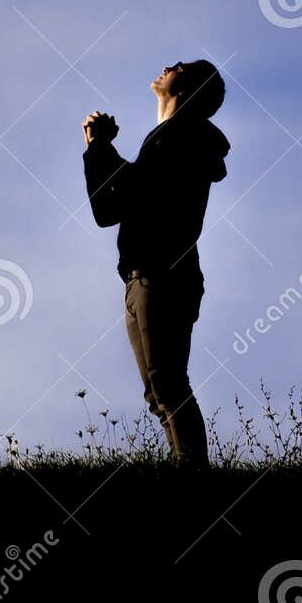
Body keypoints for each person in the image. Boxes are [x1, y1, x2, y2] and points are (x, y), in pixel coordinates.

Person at [82, 60, 229, 466]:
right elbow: (131, 191)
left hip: (160, 275)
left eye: (180, 67)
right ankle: (187, 469)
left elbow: (110, 206)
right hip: (147, 276)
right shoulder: (170, 141)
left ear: (190, 87)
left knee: (166, 384)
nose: (168, 67)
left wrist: (98, 149)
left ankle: (192, 472)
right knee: (159, 388)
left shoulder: (180, 138)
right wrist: (102, 149)